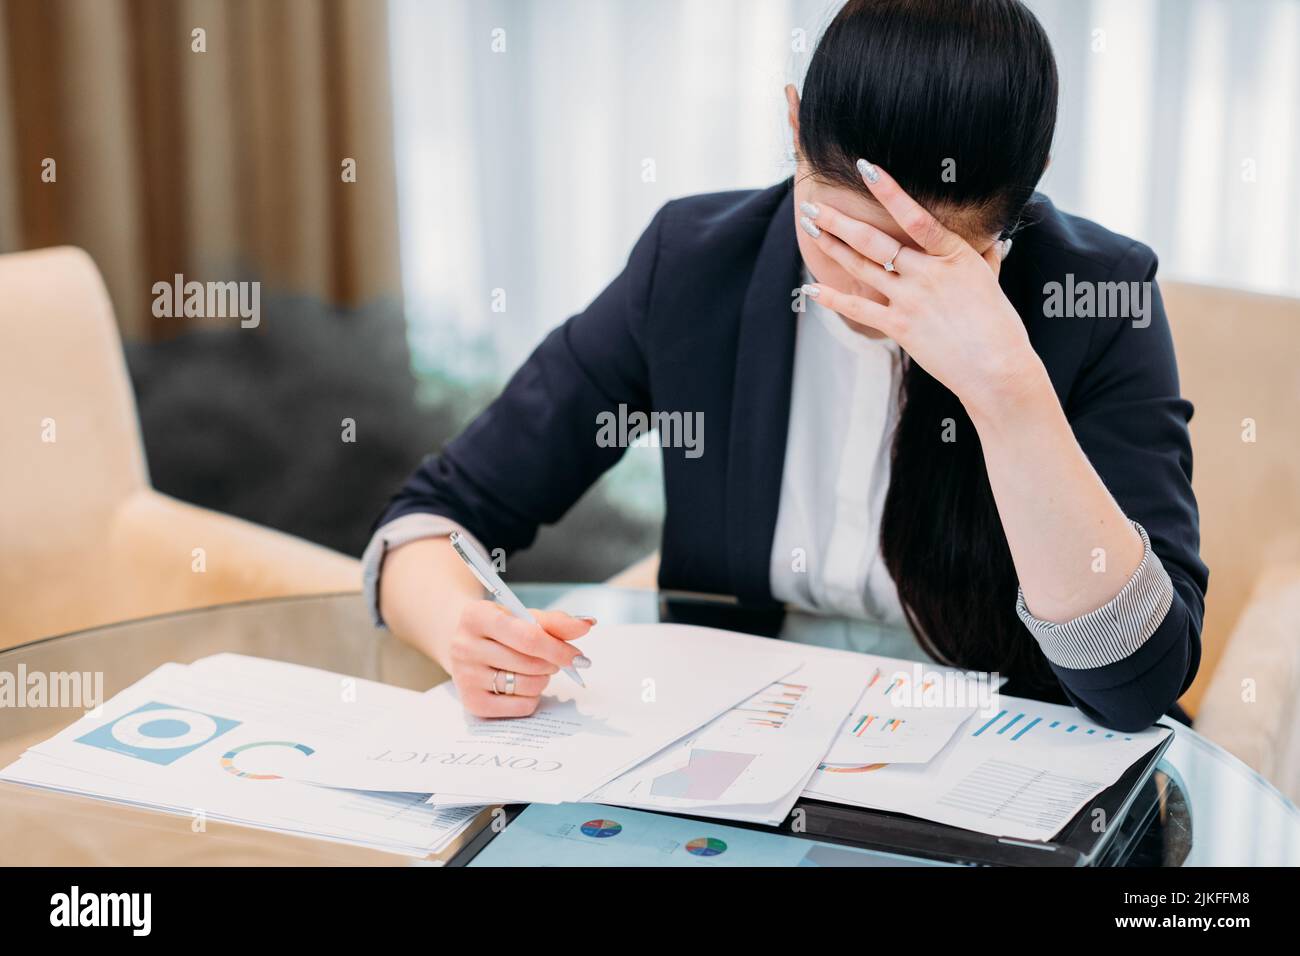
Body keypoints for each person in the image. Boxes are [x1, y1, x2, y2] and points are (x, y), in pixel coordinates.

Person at [366, 0, 1206, 732]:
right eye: (840, 235)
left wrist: (1007, 392)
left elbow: (1138, 686)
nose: (873, 287)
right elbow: (437, 516)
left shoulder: (1098, 298)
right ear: (794, 127)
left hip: (1008, 765)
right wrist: (460, 629)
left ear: (1024, 198)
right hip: (740, 754)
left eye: (926, 257)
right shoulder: (694, 267)